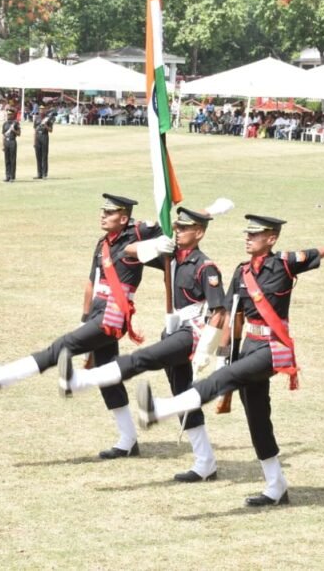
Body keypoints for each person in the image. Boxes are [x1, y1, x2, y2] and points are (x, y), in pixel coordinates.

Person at [136, 214, 324, 507]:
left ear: (271, 238)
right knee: (257, 416)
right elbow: (232, 317)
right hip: (249, 345)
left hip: (273, 349)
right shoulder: (241, 272)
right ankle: (276, 487)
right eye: (247, 233)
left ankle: (163, 407)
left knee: (220, 382)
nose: (248, 238)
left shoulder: (285, 263)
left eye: (255, 234)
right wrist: (222, 356)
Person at [0, 194, 173, 459]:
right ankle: (128, 440)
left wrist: (161, 239)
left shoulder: (135, 240)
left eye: (110, 212)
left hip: (112, 317)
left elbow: (165, 252)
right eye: (102, 211)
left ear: (124, 218)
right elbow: (91, 282)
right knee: (107, 376)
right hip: (97, 314)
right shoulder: (103, 244)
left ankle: (0, 377)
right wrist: (84, 318)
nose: (103, 215)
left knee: (61, 348)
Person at [59, 204, 228, 481]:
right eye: (177, 226)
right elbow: (126, 252)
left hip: (193, 333)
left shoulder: (205, 267)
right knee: (183, 395)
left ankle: (83, 380)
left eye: (184, 228)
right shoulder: (172, 259)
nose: (177, 230)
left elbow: (219, 312)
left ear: (199, 233)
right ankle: (205, 462)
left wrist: (206, 350)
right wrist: (154, 245)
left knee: (143, 358)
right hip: (174, 329)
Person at [33, 107, 53, 179]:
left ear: (45, 110)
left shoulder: (48, 119)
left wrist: (46, 126)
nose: (41, 110)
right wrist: (34, 141)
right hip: (38, 137)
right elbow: (35, 130)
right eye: (40, 109)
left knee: (44, 156)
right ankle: (39, 173)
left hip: (44, 136)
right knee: (38, 156)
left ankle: (44, 174)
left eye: (43, 109)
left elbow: (51, 130)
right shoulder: (37, 118)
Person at [2, 112, 20, 182]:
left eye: (10, 115)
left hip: (12, 141)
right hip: (6, 142)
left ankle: (12, 176)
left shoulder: (15, 123)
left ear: (13, 115)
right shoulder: (5, 124)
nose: (9, 116)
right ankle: (7, 176)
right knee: (7, 160)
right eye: (8, 114)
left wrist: (14, 130)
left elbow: (19, 133)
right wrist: (3, 145)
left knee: (12, 160)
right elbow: (3, 135)